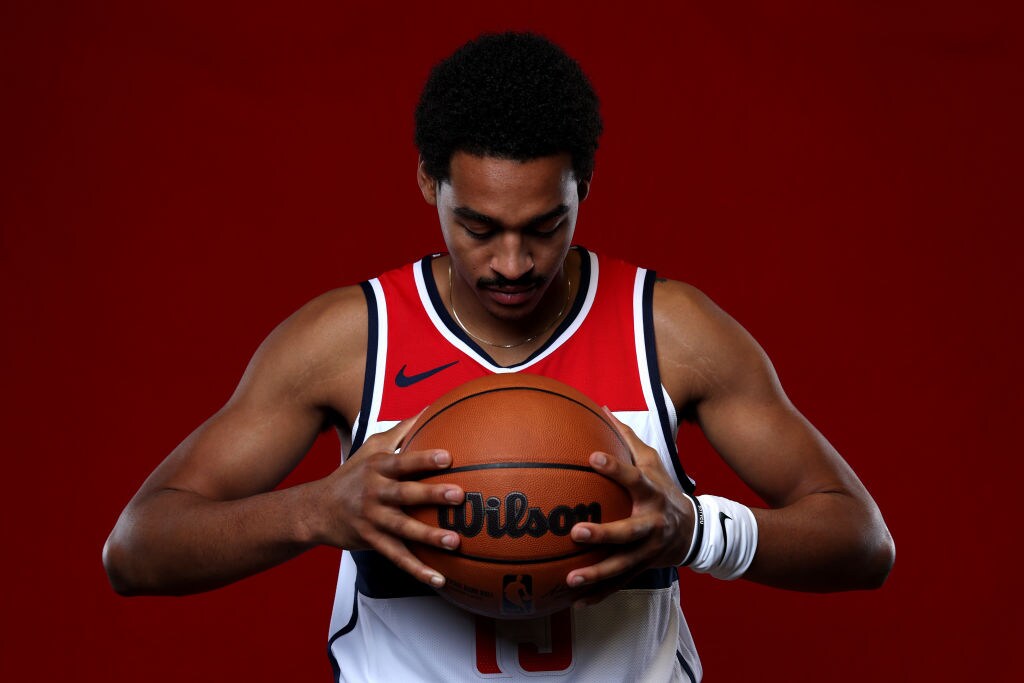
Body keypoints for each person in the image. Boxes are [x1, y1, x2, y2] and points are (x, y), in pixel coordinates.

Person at [103, 32, 894, 682]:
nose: (512, 263)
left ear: (584, 186)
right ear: (427, 182)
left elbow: (861, 540)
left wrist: (695, 531)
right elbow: (139, 548)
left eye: (545, 225)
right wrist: (315, 510)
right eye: (479, 226)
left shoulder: (668, 329)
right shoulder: (349, 341)